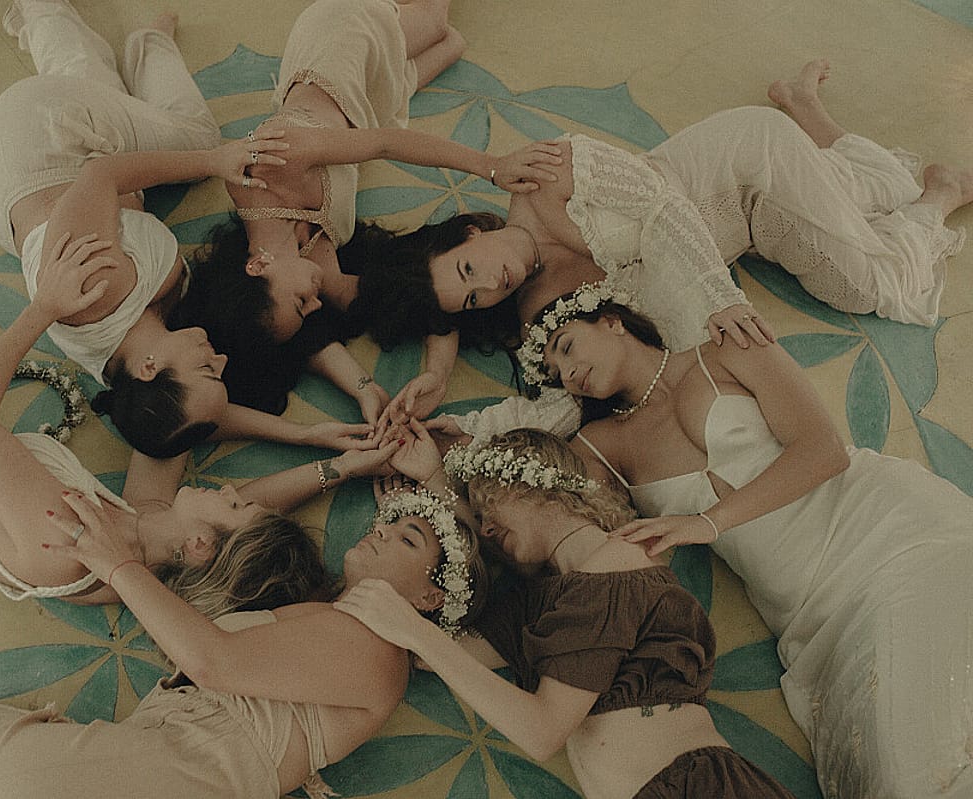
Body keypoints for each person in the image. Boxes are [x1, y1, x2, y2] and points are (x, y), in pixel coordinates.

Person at [491, 284, 973, 798]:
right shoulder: (598, 448)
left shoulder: (727, 345)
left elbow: (823, 450)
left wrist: (707, 523)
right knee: (901, 769)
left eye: (566, 346)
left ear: (612, 320)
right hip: (815, 613)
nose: (569, 375)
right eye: (558, 376)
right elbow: (543, 517)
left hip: (888, 531)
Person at [362, 59, 971, 423]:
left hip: (736, 164)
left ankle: (935, 191)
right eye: (473, 301)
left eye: (470, 269)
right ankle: (806, 106)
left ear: (469, 231)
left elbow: (664, 209)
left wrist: (721, 296)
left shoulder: (546, 173)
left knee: (876, 255)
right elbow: (556, 399)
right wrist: (443, 386)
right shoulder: (531, 316)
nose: (491, 285)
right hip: (746, 229)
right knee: (859, 254)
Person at [0, 244, 390, 603]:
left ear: (201, 546)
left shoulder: (73, 545)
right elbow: (212, 469)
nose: (234, 489)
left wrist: (45, 308)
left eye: (230, 506)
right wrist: (334, 458)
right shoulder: (144, 548)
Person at [0, 480, 488, 799]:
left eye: (407, 537)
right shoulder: (317, 612)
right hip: (134, 760)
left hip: (159, 774)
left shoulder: (377, 649)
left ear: (431, 599)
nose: (379, 529)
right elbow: (222, 514)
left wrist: (116, 563)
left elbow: (211, 658)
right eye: (389, 518)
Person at [0, 0, 369, 457]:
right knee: (85, 74)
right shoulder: (133, 374)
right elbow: (199, 420)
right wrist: (307, 433)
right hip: (38, 190)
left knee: (198, 139)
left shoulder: (96, 291)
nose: (218, 360)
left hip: (41, 142)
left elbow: (101, 177)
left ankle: (149, 44)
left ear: (149, 367)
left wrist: (214, 160)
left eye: (207, 370)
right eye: (219, 371)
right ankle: (41, 12)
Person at [338, 426, 794, 798]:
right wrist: (391, 561)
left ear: (534, 484)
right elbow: (426, 658)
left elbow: (542, 731)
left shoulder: (617, 562)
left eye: (488, 507)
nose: (487, 527)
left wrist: (420, 635)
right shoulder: (544, 605)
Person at [182, 0, 562, 420]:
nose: (313, 308)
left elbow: (386, 144)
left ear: (256, 267)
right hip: (365, 109)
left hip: (338, 50)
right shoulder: (315, 271)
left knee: (435, 23)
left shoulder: (263, 169)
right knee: (452, 45)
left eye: (299, 303)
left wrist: (493, 167)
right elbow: (422, 291)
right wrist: (430, 376)